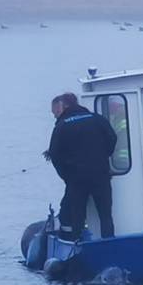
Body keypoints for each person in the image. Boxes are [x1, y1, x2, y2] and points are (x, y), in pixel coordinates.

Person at [45, 92, 118, 241]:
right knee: (105, 215)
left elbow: (55, 154)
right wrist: (103, 157)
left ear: (62, 106)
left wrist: (66, 176)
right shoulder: (98, 119)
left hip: (76, 179)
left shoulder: (62, 125)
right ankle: (110, 244)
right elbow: (112, 138)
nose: (55, 116)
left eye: (55, 113)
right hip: (101, 175)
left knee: (77, 217)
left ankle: (78, 244)